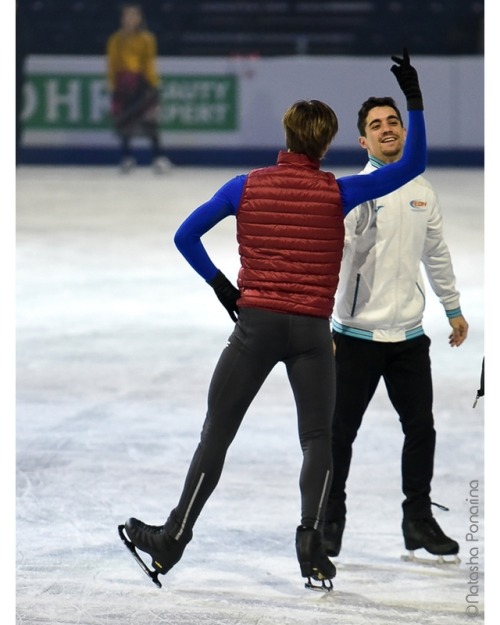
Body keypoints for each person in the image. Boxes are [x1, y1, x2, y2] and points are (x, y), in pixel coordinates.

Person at [118, 50, 427, 590]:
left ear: (288, 136)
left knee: (217, 434)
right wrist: (413, 99)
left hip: (254, 327)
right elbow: (414, 165)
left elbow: (184, 236)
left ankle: (172, 541)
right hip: (311, 333)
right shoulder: (340, 190)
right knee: (317, 441)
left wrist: (222, 288)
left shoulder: (245, 186)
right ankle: (311, 547)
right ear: (326, 144)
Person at [322, 95, 469, 562]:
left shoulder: (423, 190)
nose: (387, 129)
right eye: (375, 125)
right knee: (338, 434)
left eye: (393, 122)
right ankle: (330, 520)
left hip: (408, 338)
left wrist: (452, 307)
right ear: (363, 139)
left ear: (405, 134)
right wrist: (320, 323)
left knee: (421, 430)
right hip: (355, 337)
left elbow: (437, 253)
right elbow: (331, 260)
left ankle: (417, 519)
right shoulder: (353, 192)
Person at [106, 3, 171, 174]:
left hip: (142, 84)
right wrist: (114, 86)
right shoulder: (116, 39)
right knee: (125, 122)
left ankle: (158, 157)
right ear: (122, 19)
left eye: (134, 16)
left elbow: (149, 62)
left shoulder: (146, 39)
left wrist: (153, 84)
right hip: (123, 85)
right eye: (127, 16)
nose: (130, 19)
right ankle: (127, 157)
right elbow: (112, 64)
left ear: (139, 18)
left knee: (150, 121)